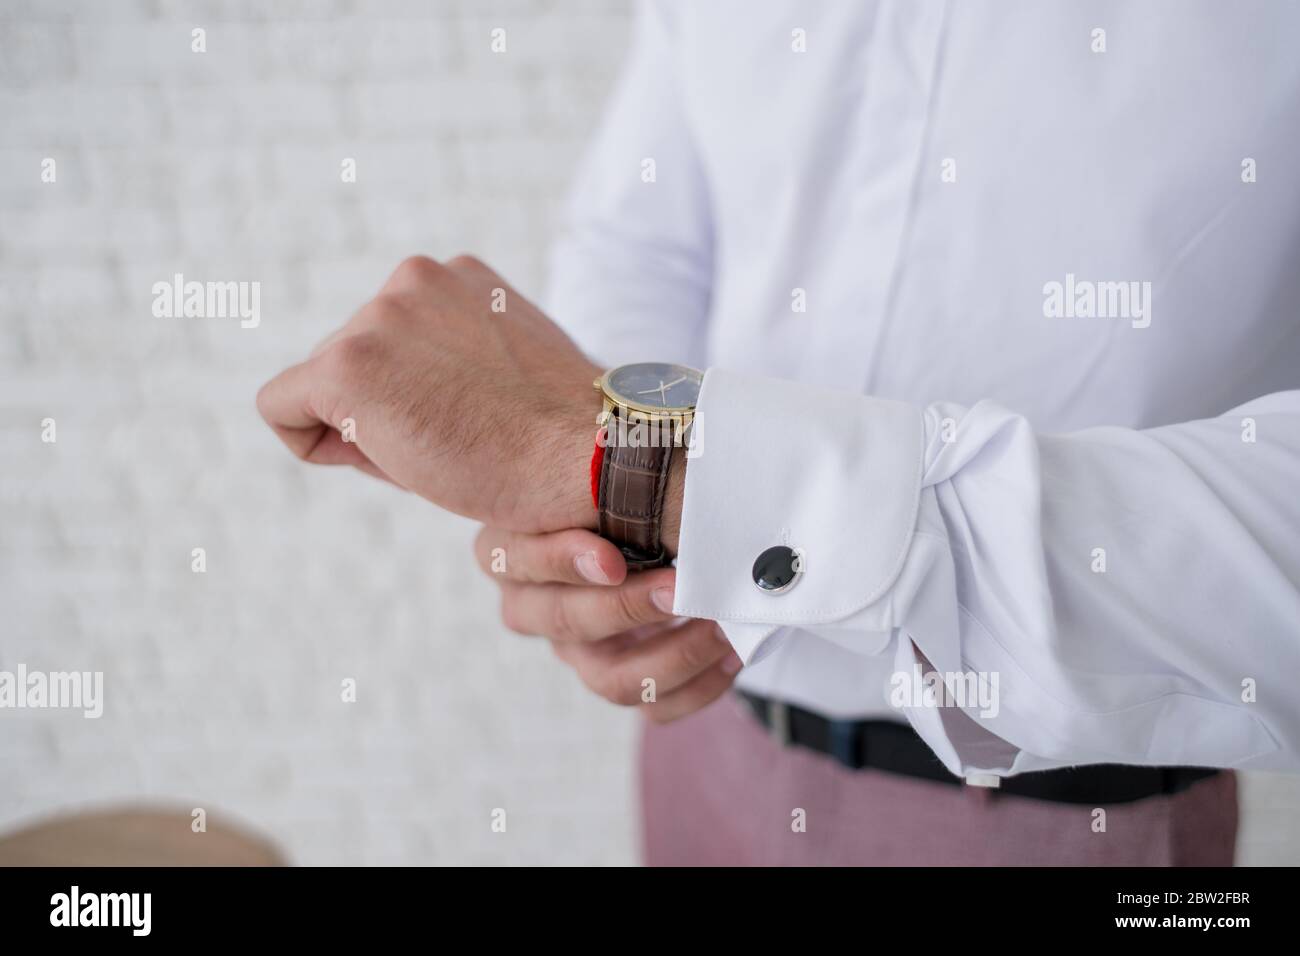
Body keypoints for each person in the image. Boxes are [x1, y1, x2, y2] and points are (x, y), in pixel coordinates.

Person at [259, 1, 1300, 865]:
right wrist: (610, 529)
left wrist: (662, 472)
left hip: (1071, 815)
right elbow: (646, 240)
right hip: (708, 751)